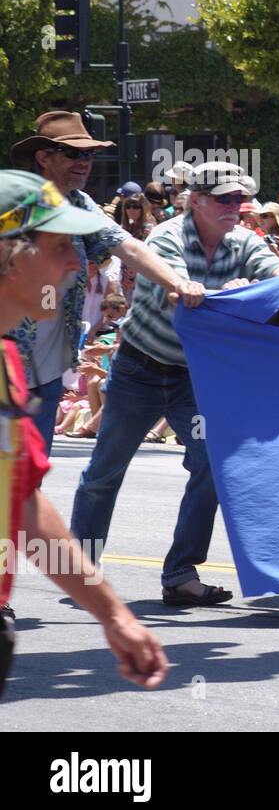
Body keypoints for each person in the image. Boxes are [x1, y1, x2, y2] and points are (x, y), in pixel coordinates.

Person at [69, 162, 279, 607]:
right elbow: (174, 292)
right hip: (139, 370)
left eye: (238, 199)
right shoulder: (167, 236)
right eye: (223, 199)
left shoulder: (245, 240)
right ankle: (78, 570)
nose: (234, 207)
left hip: (195, 377)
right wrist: (225, 293)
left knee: (210, 467)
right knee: (104, 473)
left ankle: (181, 574)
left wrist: (255, 288)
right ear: (196, 201)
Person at [0, 168, 169, 692]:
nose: (76, 262)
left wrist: (112, 615)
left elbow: (19, 501)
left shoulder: (8, 362)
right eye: (57, 247)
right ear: (8, 254)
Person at [7, 111, 205, 451]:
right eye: (74, 153)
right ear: (43, 157)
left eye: (90, 154)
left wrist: (178, 284)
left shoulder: (80, 205)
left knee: (27, 480)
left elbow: (130, 248)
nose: (85, 162)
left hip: (48, 371)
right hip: (8, 366)